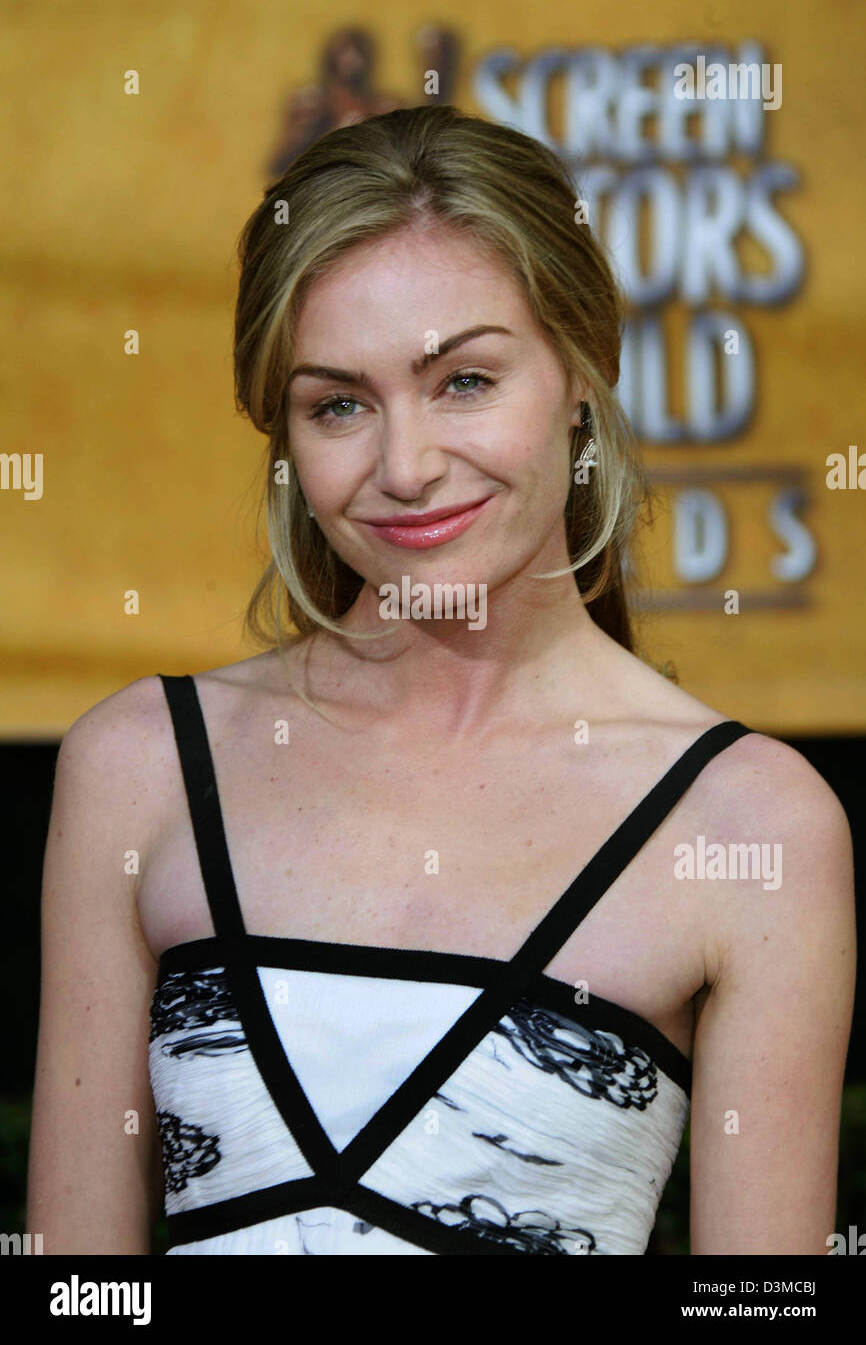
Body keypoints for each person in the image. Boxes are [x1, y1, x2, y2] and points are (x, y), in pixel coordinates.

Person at [27, 105, 855, 1256]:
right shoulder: (140, 766)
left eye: (463, 380)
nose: (404, 468)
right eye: (338, 406)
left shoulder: (750, 822)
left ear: (580, 371)